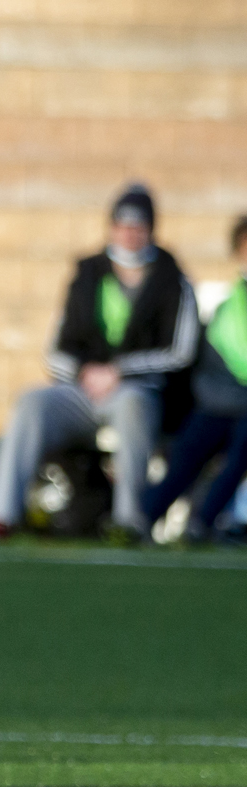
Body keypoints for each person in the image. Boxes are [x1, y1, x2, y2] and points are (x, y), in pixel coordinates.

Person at [0, 183, 198, 545]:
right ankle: (0, 515)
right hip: (82, 389)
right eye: (122, 225)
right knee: (32, 402)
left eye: (138, 226)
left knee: (133, 404)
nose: (129, 235)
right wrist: (87, 373)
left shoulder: (173, 280)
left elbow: (180, 352)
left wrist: (119, 372)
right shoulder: (86, 274)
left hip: (138, 390)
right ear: (111, 227)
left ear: (150, 230)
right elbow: (54, 349)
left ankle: (128, 520)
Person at [141, 216, 247, 542]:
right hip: (220, 404)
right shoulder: (230, 305)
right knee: (186, 457)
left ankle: (205, 521)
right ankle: (141, 519)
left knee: (239, 456)